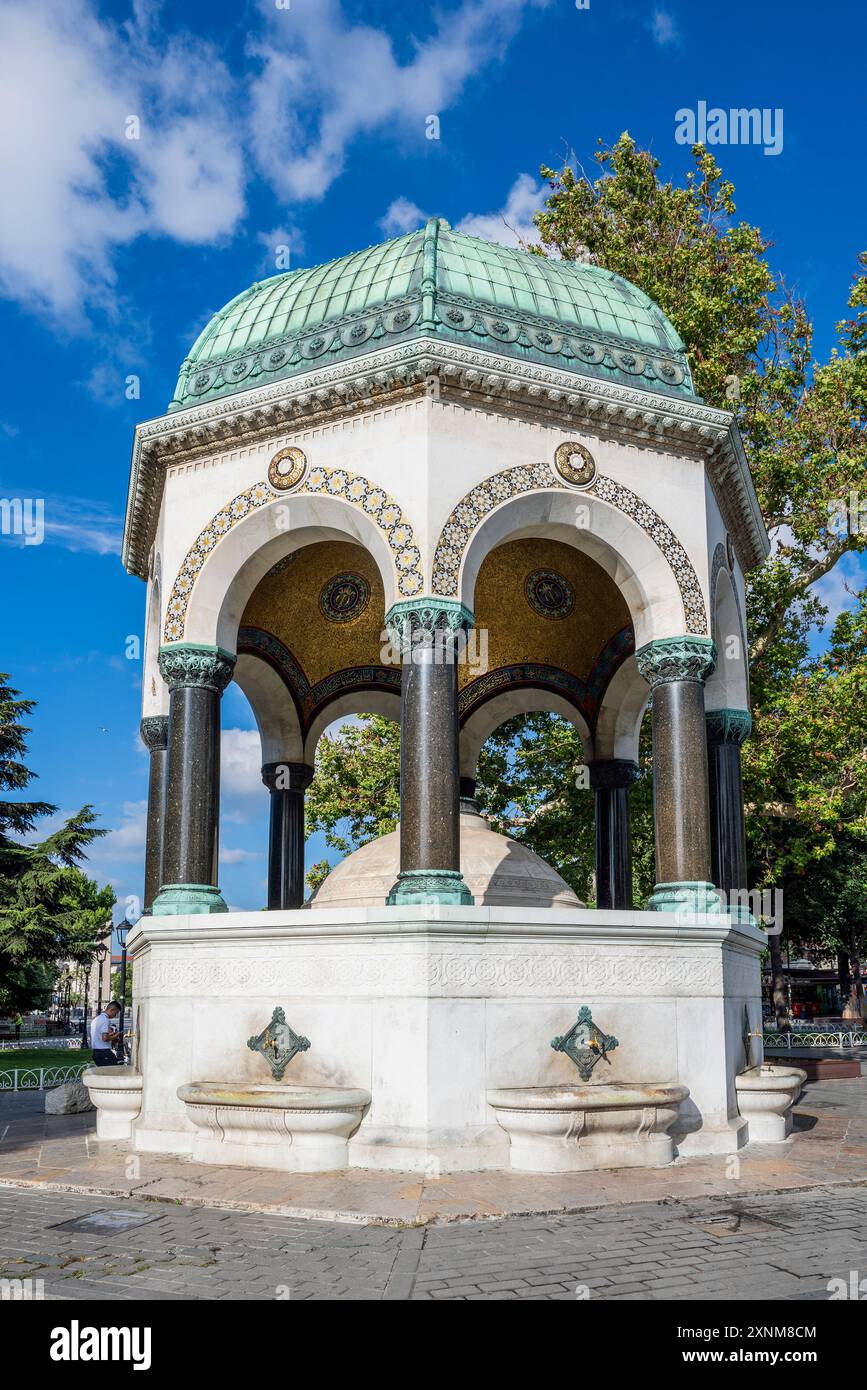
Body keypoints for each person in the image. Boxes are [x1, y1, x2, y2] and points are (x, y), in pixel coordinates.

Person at [90, 1001, 121, 1066]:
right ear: (112, 1010)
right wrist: (116, 1036)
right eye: (116, 1013)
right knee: (113, 1072)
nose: (115, 1015)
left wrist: (110, 1035)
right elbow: (105, 1038)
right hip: (103, 1052)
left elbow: (99, 1036)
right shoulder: (105, 1020)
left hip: (96, 1052)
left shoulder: (97, 1019)